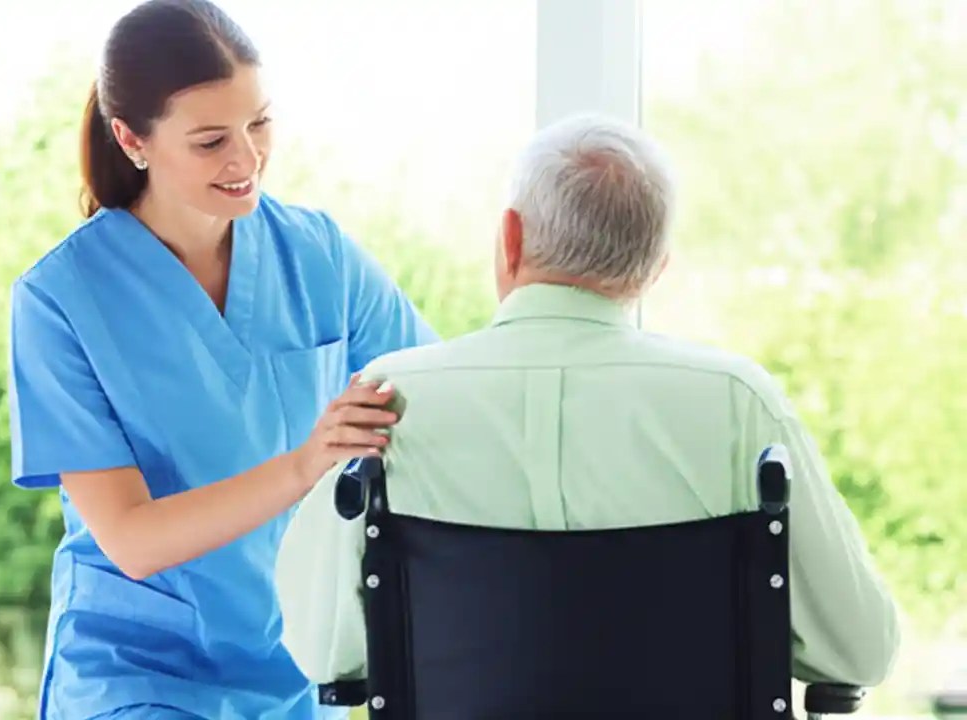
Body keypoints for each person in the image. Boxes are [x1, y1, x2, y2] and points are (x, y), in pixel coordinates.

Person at [275, 114, 901, 690]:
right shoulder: (738, 404)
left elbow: (322, 650)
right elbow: (860, 651)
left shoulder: (388, 403)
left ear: (510, 236)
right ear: (655, 267)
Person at [6, 1, 436, 717]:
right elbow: (133, 540)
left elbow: (436, 397)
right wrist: (306, 463)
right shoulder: (61, 300)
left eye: (259, 123)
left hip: (298, 667)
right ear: (131, 140)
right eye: (210, 141)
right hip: (137, 675)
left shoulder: (319, 257)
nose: (246, 159)